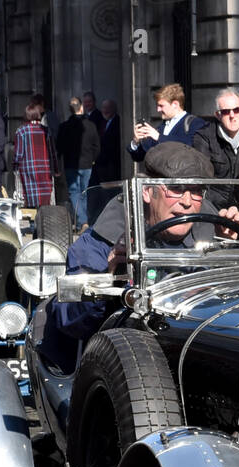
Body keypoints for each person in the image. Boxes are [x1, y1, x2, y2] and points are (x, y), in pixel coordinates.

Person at [38, 142, 217, 373]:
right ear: (146, 191)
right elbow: (68, 317)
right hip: (115, 367)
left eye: (196, 191)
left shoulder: (216, 233)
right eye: (176, 188)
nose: (186, 201)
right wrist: (108, 277)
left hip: (195, 360)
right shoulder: (102, 240)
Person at [127, 83, 206, 163]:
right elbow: (139, 156)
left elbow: (189, 148)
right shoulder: (161, 127)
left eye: (161, 106)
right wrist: (136, 142)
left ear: (175, 104)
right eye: (157, 106)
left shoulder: (195, 123)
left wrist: (159, 137)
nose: (158, 110)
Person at [56, 96, 101, 229]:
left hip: (71, 164)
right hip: (87, 164)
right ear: (81, 107)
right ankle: (83, 220)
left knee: (74, 192)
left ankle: (82, 220)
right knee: (84, 192)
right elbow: (97, 146)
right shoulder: (91, 125)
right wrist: (93, 159)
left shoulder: (64, 126)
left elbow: (59, 147)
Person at [14, 99, 54, 207]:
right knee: (44, 195)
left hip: (29, 167)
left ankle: (33, 214)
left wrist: (15, 164)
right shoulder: (46, 130)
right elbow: (51, 151)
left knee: (31, 195)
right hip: (45, 167)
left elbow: (19, 154)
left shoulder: (22, 131)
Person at [89, 98, 122, 225]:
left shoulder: (118, 121)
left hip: (112, 165)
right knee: (101, 194)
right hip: (101, 165)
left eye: (108, 108)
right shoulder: (101, 122)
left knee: (111, 194)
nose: (105, 111)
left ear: (113, 109)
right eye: (103, 108)